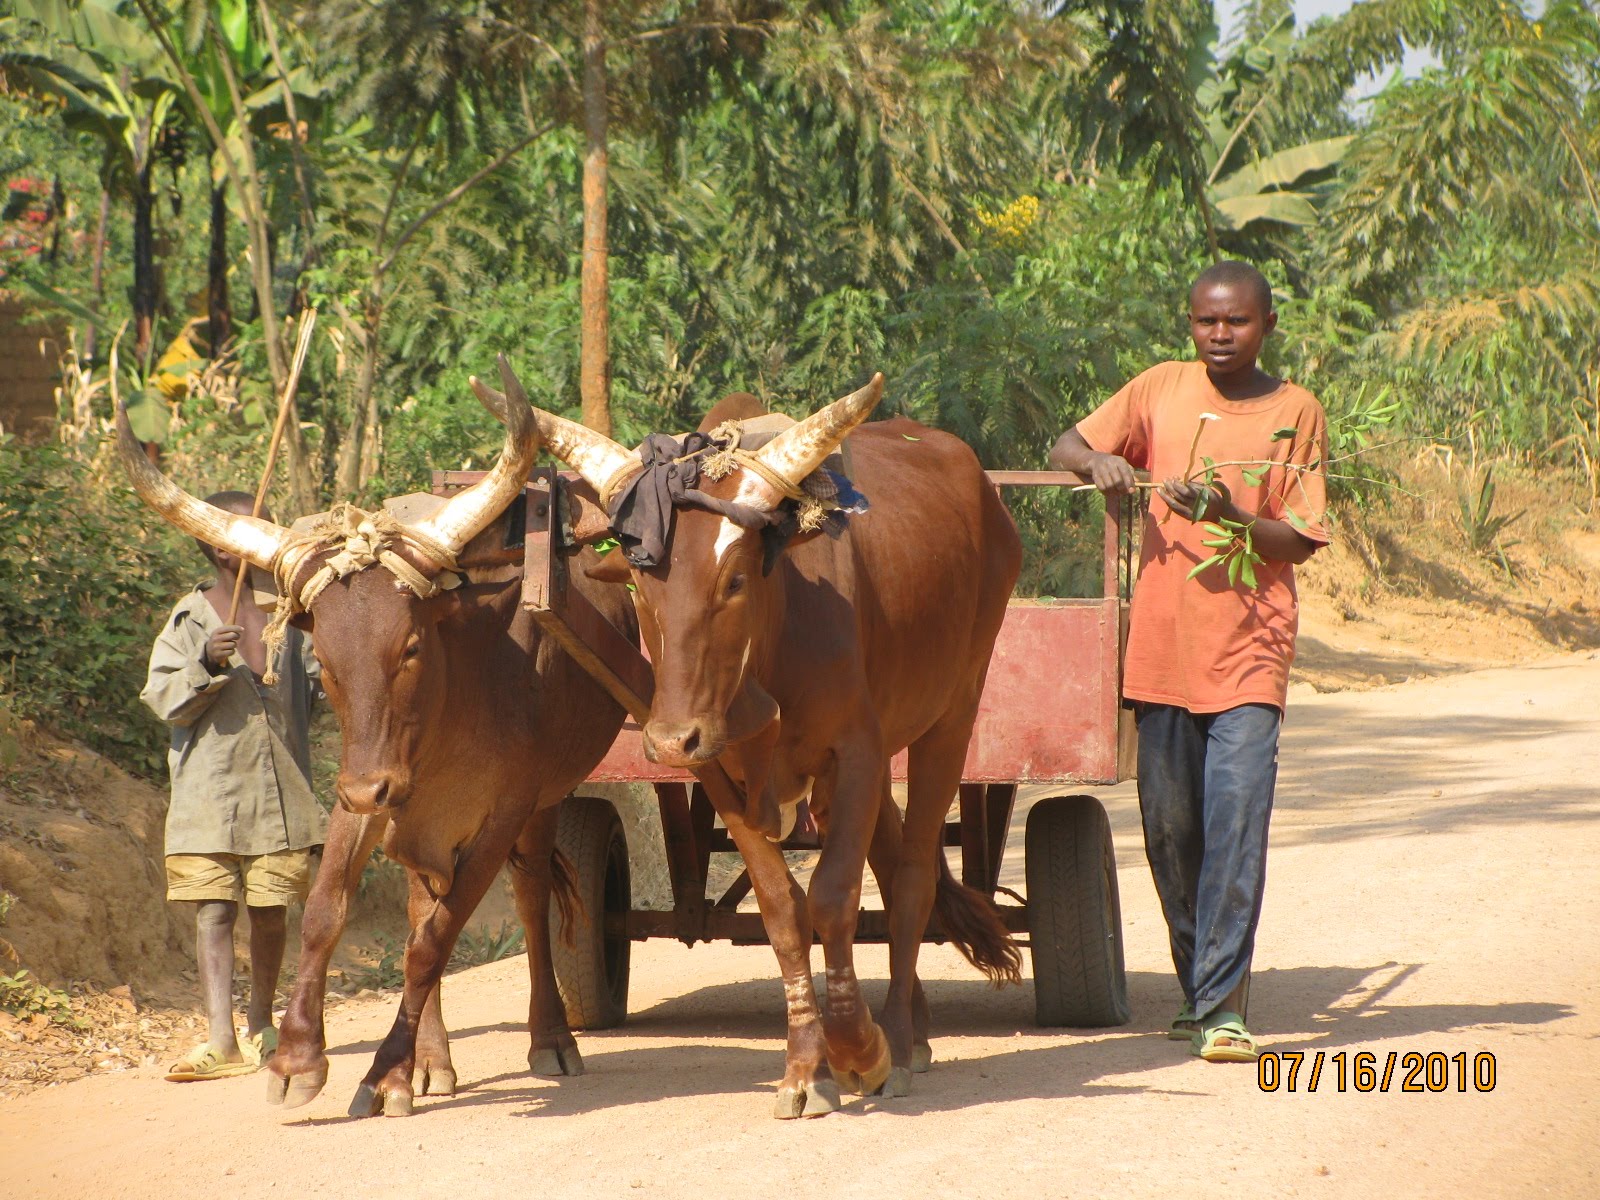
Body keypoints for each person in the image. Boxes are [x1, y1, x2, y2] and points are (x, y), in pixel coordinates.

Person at [1048, 261, 1328, 1062]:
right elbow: (1069, 441)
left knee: (1234, 825)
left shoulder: (1296, 411)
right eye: (1207, 320)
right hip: (1162, 653)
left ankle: (1221, 1007)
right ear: (1190, 323)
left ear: (1267, 323)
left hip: (1250, 648)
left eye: (1236, 321)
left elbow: (1299, 539)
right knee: (1172, 833)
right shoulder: (1159, 389)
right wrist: (1095, 463)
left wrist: (1233, 515)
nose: (1220, 334)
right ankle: (1199, 988)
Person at [140, 491, 325, 1081]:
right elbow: (164, 700)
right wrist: (205, 664)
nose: (262, 533)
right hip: (210, 792)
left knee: (270, 911)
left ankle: (261, 1024)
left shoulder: (289, 614)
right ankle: (219, 1038)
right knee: (214, 911)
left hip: (281, 796)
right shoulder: (191, 617)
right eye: (246, 526)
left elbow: (318, 691)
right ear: (217, 544)